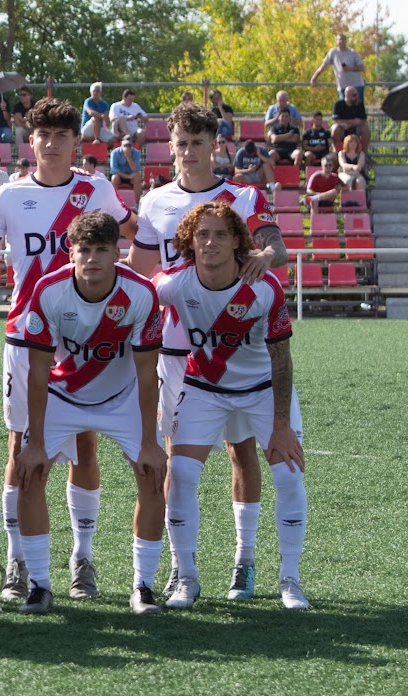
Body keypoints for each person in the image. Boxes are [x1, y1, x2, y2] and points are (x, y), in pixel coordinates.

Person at [0, 97, 136, 603]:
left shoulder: (97, 189)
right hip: (29, 337)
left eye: (61, 134)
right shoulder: (8, 196)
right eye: (42, 134)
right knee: (21, 449)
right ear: (31, 140)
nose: (51, 143)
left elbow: (132, 237)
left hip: (88, 339)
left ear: (76, 141)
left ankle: (82, 558)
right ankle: (17, 562)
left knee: (85, 445)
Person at [127, 103, 293, 604]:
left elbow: (277, 248)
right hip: (177, 353)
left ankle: (244, 561)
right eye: (181, 142)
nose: (189, 151)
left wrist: (263, 256)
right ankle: (184, 571)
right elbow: (139, 271)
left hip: (235, 345)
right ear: (170, 145)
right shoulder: (155, 202)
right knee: (180, 461)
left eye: (199, 142)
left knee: (242, 450)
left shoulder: (241, 196)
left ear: (214, 145)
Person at [154, 201, 309, 611]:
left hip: (262, 389)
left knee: (290, 475)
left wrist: (280, 424)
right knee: (182, 473)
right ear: (189, 241)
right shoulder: (173, 285)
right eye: (202, 234)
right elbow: (141, 298)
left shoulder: (263, 286)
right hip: (203, 388)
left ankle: (289, 580)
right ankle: (186, 577)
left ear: (239, 241)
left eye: (221, 234)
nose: (210, 242)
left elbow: (281, 358)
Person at [15, 211, 166, 615]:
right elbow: (37, 373)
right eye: (85, 249)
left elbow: (148, 372)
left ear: (118, 252)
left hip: (122, 398)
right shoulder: (48, 290)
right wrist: (37, 441)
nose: (93, 258)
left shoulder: (140, 293)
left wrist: (151, 441)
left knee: (153, 474)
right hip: (62, 394)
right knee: (29, 472)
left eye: (103, 249)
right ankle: (40, 585)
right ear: (71, 251)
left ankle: (143, 586)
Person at [311, 33, 366, 103]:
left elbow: (362, 67)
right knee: (343, 109)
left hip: (356, 85)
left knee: (358, 108)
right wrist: (314, 78)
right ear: (336, 41)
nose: (341, 41)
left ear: (346, 41)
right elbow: (323, 66)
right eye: (339, 39)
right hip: (343, 86)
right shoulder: (333, 52)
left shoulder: (352, 52)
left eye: (343, 39)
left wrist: (350, 69)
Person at [332, 85, 370, 152]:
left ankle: (362, 152)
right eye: (354, 95)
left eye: (357, 94)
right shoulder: (339, 104)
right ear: (347, 95)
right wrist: (352, 122)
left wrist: (350, 124)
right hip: (342, 127)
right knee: (335, 129)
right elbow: (336, 120)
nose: (357, 97)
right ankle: (338, 152)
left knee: (366, 129)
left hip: (355, 127)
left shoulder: (359, 104)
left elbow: (363, 120)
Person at [110, 134, 143, 203]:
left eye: (129, 145)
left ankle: (137, 204)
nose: (127, 147)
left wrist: (128, 157)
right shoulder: (115, 153)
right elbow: (114, 170)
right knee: (114, 178)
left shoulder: (136, 153)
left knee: (137, 179)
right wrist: (128, 176)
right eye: (125, 145)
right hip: (120, 176)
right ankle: (114, 203)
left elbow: (136, 169)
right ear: (121, 144)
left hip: (132, 176)